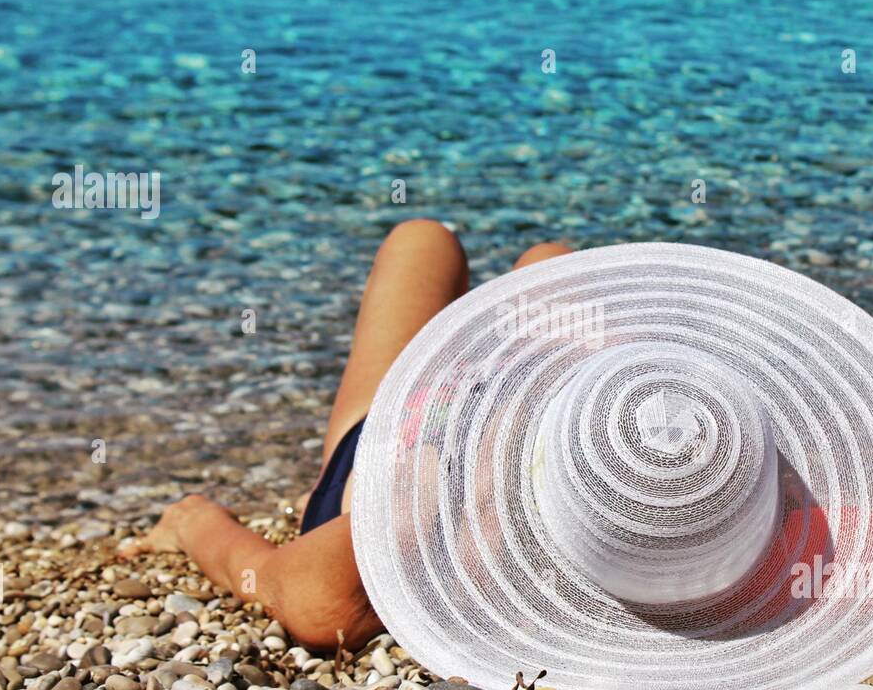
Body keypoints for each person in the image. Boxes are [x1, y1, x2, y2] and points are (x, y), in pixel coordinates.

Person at [117, 220, 572, 653]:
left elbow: (259, 574)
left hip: (398, 438)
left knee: (427, 240)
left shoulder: (340, 589)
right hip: (504, 413)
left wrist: (191, 520)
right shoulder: (607, 465)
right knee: (532, 257)